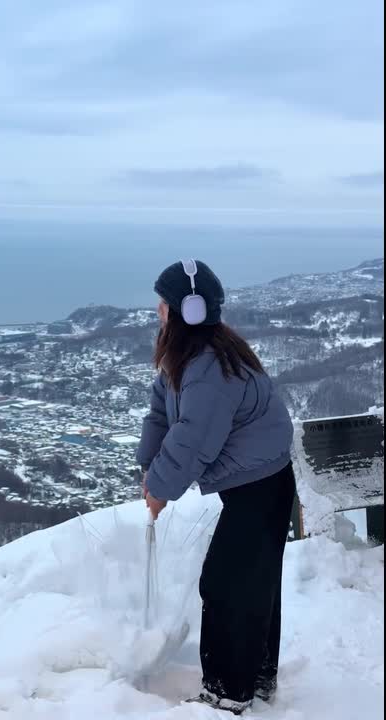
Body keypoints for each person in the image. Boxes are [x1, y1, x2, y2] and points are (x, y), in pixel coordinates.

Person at [136, 259, 296, 716]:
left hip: (262, 484)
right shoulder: (185, 357)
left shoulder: (207, 367)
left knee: (227, 585)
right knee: (251, 581)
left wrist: (161, 488)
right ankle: (257, 675)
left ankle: (228, 691)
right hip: (258, 480)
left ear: (183, 310)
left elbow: (193, 439)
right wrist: (149, 467)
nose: (157, 310)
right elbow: (162, 415)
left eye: (163, 303)